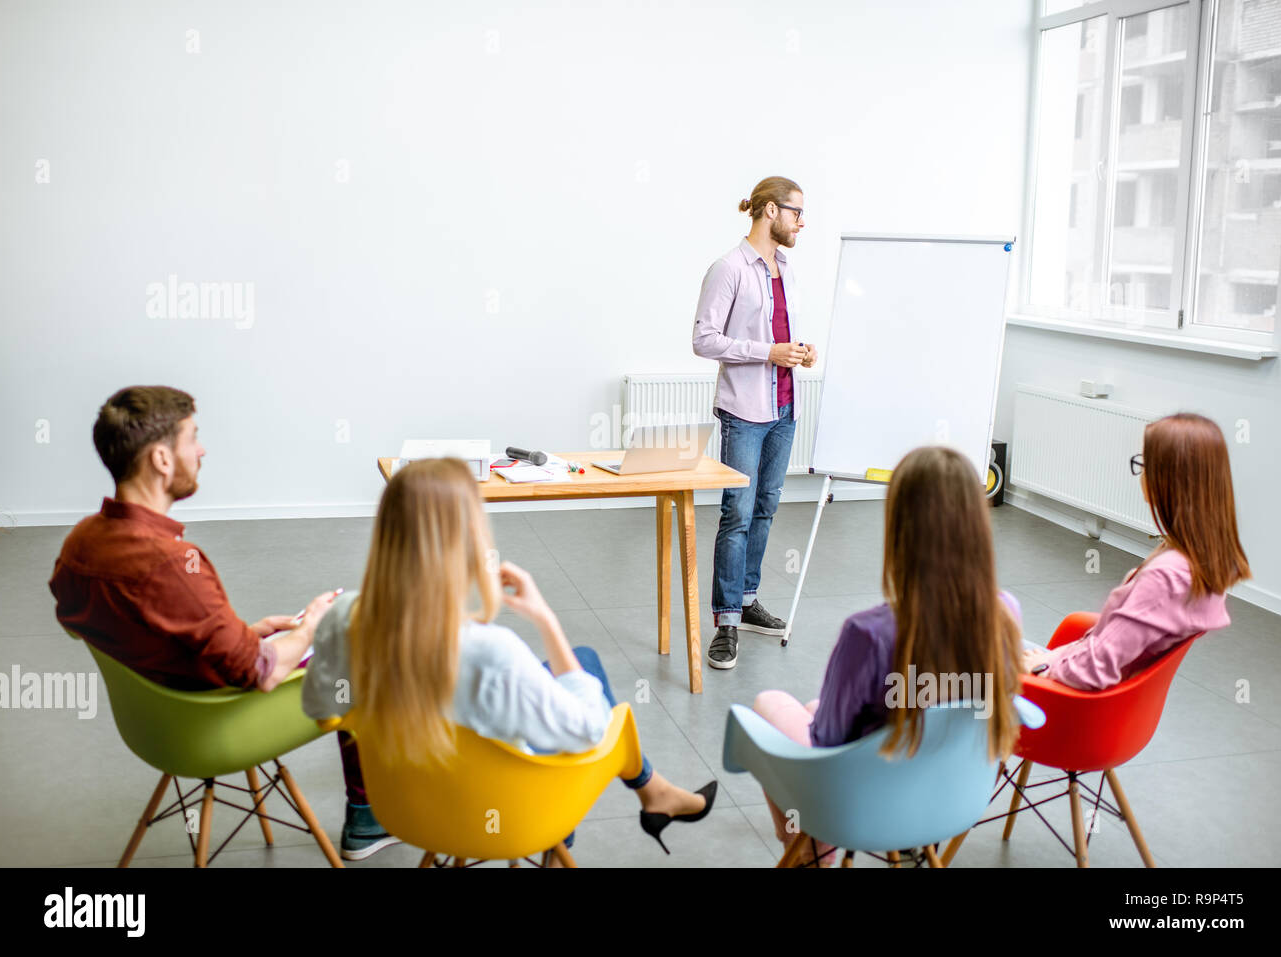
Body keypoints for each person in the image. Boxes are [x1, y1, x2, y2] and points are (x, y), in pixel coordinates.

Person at [301, 457, 717, 862]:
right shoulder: (492, 651)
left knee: (567, 670)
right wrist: (547, 620)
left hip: (409, 809)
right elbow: (590, 732)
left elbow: (321, 710)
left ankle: (656, 792)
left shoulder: (342, 618)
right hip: (506, 814)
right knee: (583, 668)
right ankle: (640, 800)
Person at [47, 386, 393, 861]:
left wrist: (246, 633)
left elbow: (112, 624)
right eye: (193, 438)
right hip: (219, 724)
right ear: (162, 460)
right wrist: (311, 625)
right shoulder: (173, 563)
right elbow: (264, 672)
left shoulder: (80, 544)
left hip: (153, 726)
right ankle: (368, 818)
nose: (203, 449)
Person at [751, 446, 1022, 866]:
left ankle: (811, 855)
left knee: (771, 704)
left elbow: (827, 740)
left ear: (901, 529)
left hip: (866, 804)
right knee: (813, 707)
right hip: (951, 800)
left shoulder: (868, 634)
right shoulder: (1006, 613)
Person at [1022, 413, 1250, 690]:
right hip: (1065, 673)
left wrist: (1042, 667)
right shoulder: (1204, 562)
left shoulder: (1167, 578)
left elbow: (1094, 668)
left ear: (1169, 480)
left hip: (1059, 696)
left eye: (1144, 464)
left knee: (964, 657)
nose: (1141, 473)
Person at [693, 175, 819, 670]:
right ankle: (725, 623)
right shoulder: (728, 269)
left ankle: (746, 601)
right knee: (737, 514)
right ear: (769, 210)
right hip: (745, 411)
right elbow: (704, 339)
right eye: (796, 212)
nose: (801, 222)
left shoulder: (785, 268)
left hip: (785, 408)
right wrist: (768, 353)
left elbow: (781, 333)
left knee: (765, 508)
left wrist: (799, 353)